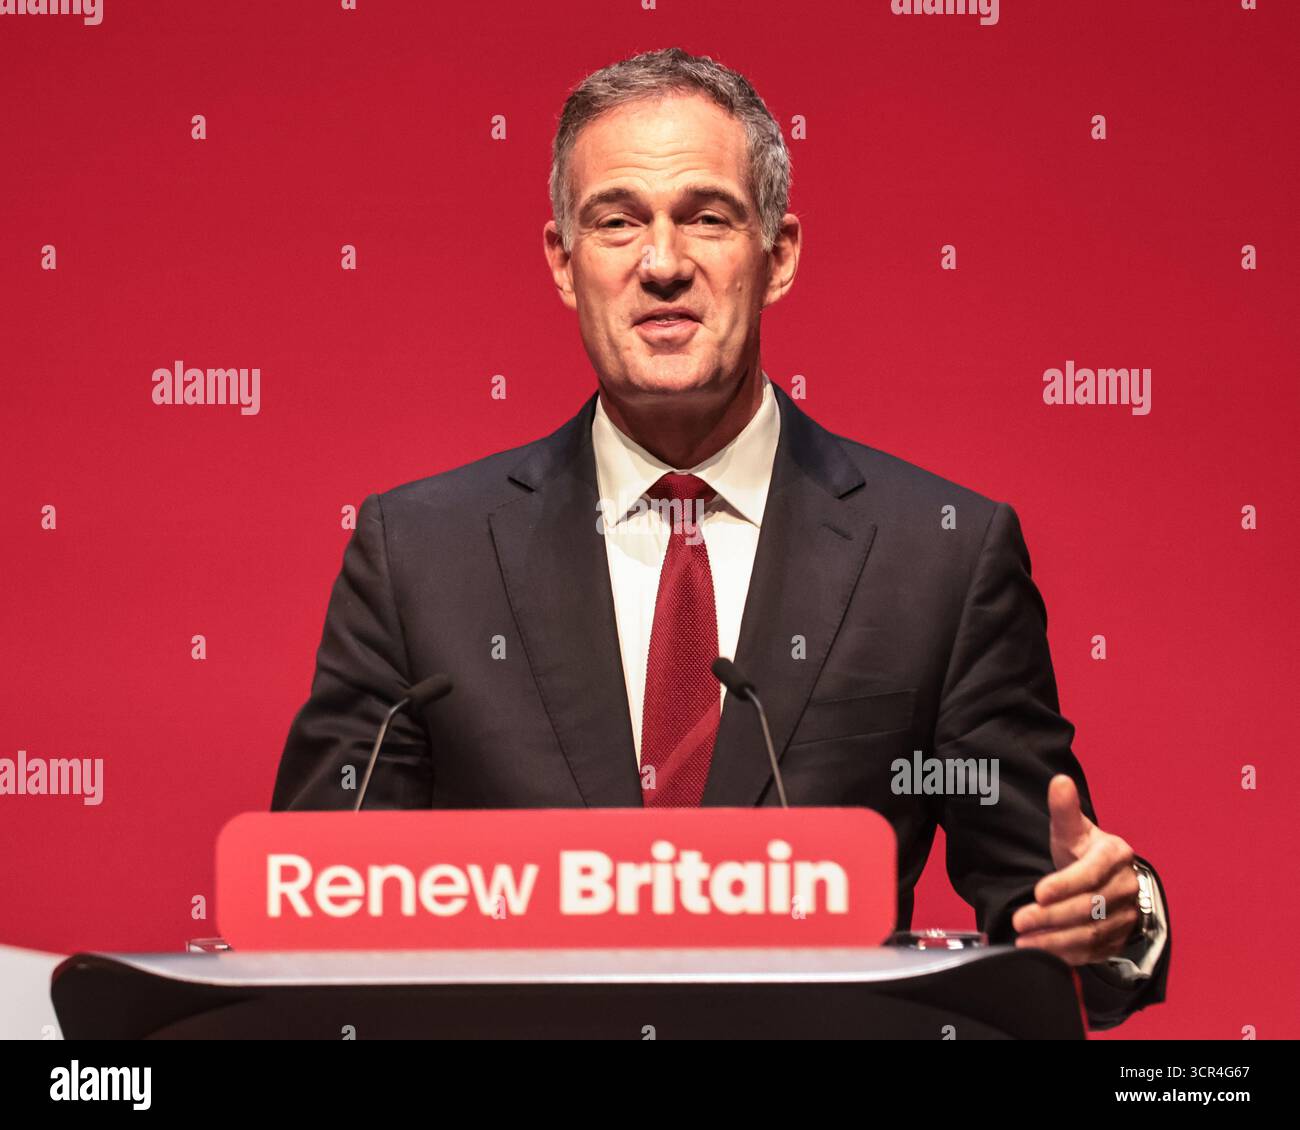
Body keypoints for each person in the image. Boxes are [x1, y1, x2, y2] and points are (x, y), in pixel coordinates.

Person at [272, 47, 1169, 1029]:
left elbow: (1050, 893)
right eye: (616, 221)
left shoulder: (940, 553)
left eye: (706, 215)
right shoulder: (418, 554)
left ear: (777, 254)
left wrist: (1113, 917)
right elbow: (316, 907)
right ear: (563, 262)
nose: (662, 263)